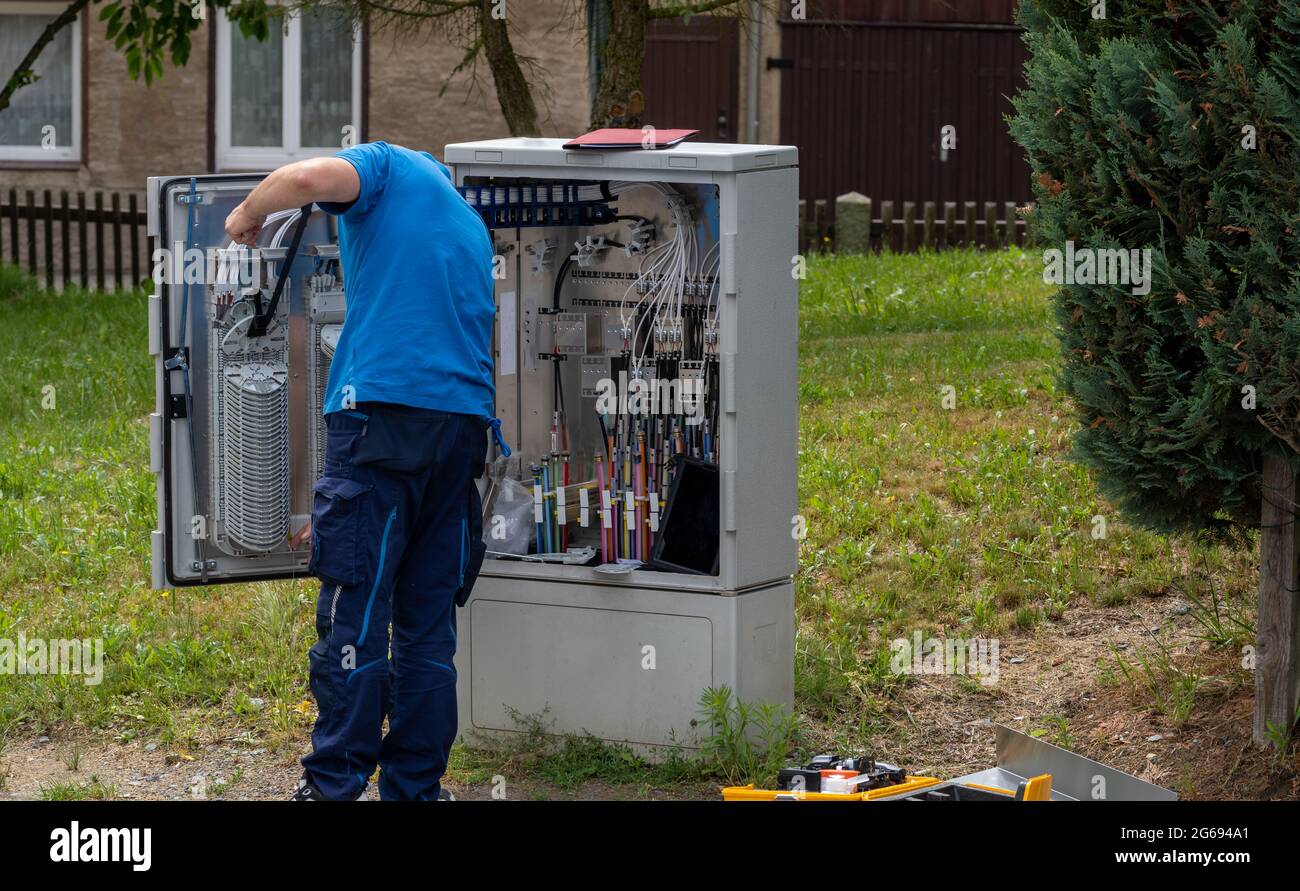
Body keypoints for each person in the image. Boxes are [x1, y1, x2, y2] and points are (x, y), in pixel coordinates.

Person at [224, 141, 501, 801]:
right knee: (428, 625)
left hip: (381, 420)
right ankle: (416, 789)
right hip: (462, 428)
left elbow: (305, 176)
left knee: (356, 607)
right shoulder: (463, 216)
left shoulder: (383, 167)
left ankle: (333, 785)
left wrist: (245, 212)